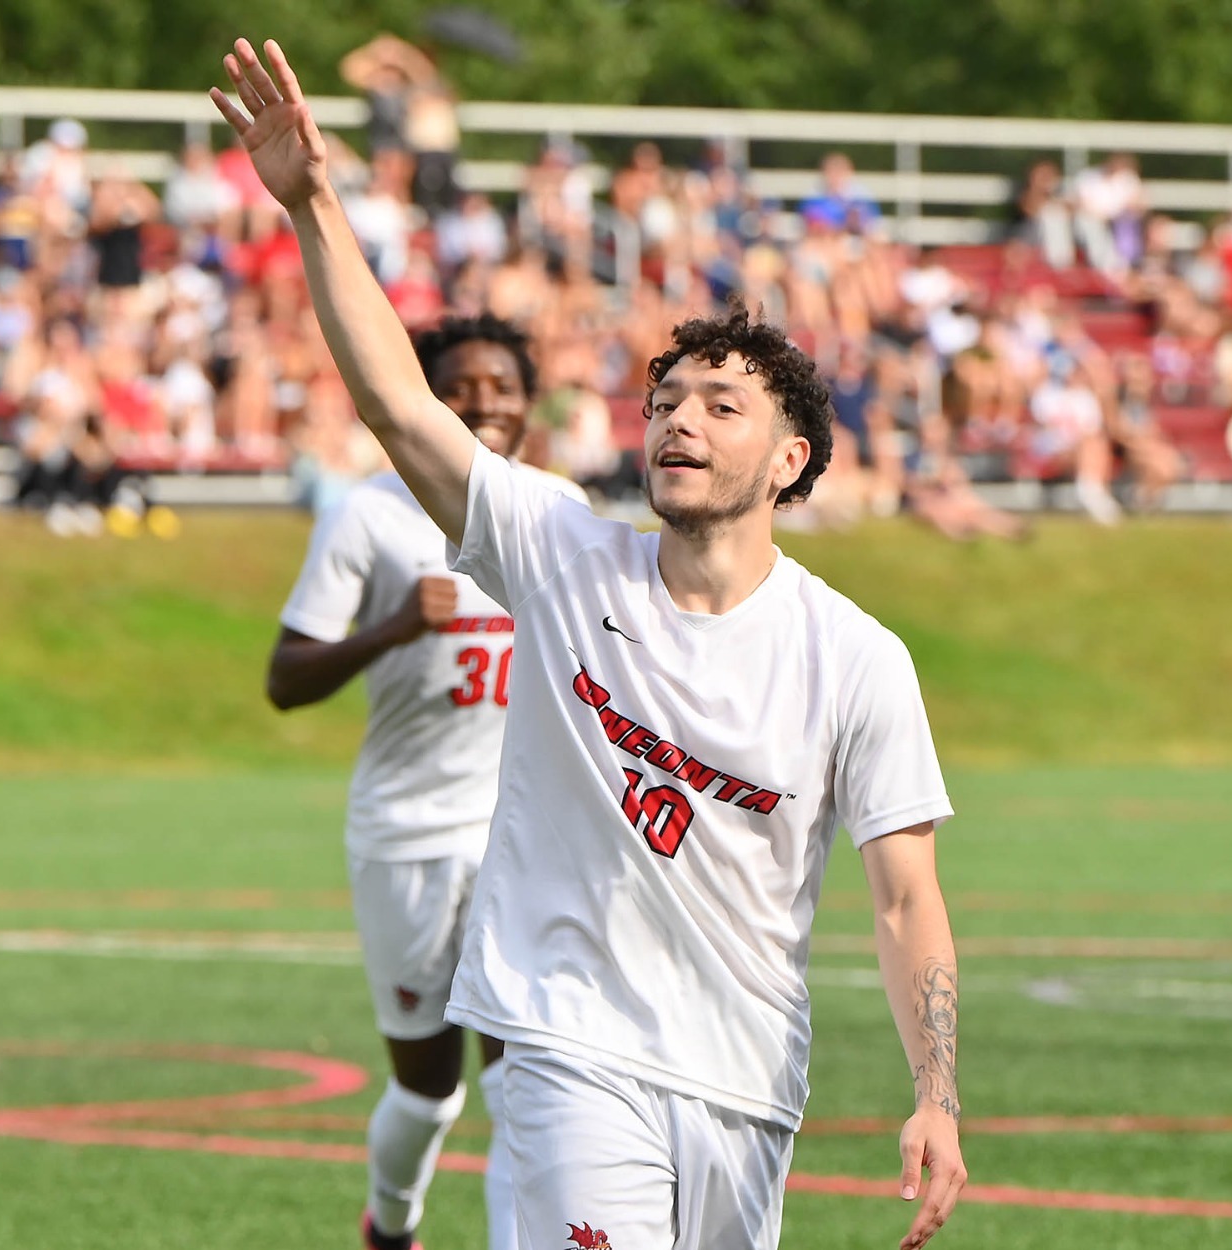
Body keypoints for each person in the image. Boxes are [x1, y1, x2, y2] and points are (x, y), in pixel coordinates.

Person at [214, 38, 965, 1250]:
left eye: (721, 406)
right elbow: (400, 404)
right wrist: (312, 204)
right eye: (665, 399)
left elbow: (902, 896)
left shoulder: (855, 655)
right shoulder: (560, 553)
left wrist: (935, 1091)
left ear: (788, 463)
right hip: (567, 1046)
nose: (678, 419)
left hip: (743, 1081)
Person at [267, 313, 587, 1250]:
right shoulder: (369, 516)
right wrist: (393, 630)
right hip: (406, 834)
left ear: (530, 402)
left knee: (521, 1078)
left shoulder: (559, 509)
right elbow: (286, 679)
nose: (483, 401)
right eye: (461, 385)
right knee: (429, 1088)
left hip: (523, 836)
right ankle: (391, 1225)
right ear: (424, 398)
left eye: (502, 385)